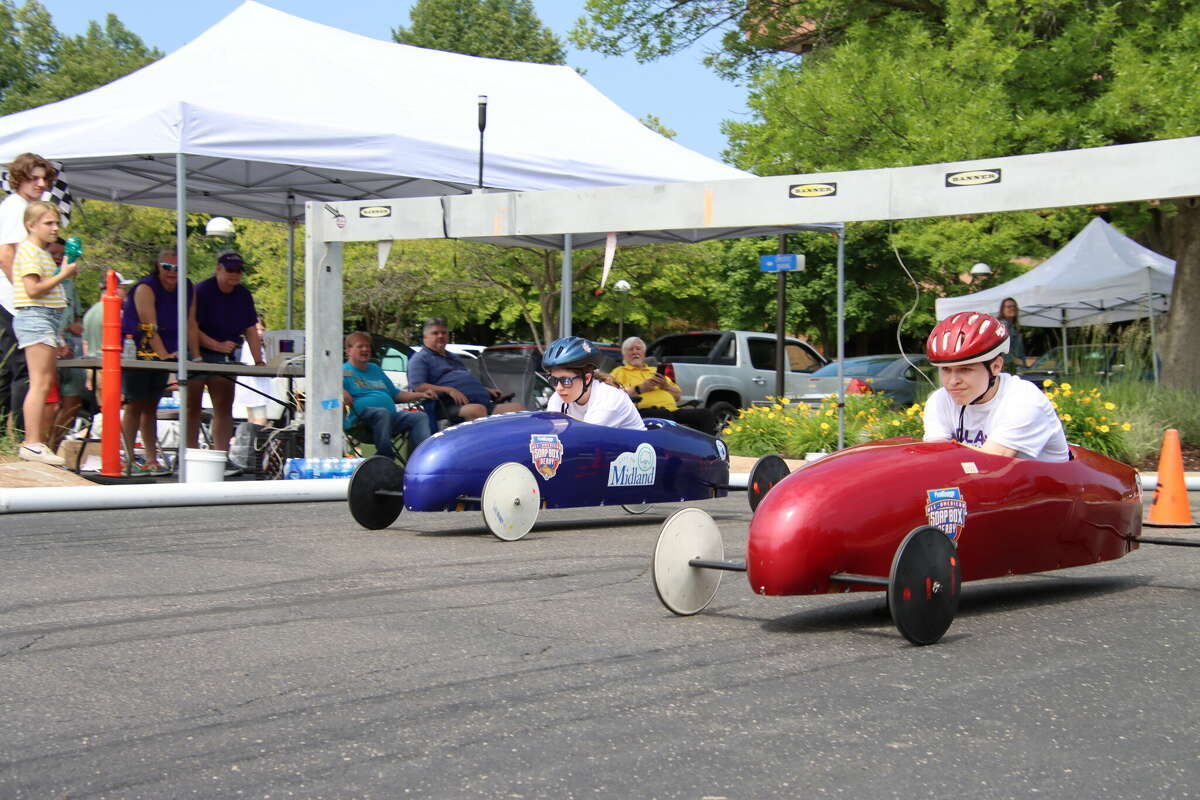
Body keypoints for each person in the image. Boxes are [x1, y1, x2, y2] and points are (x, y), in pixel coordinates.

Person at [922, 312, 1068, 462]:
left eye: (965, 369)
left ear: (996, 366)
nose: (952, 381)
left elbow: (987, 465)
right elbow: (937, 458)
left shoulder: (1024, 401)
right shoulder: (940, 399)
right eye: (946, 369)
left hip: (1055, 483)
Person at [120, 248, 198, 476]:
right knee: (134, 404)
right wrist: (163, 355)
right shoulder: (146, 287)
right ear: (158, 267)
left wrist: (195, 355)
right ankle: (128, 458)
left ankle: (151, 459)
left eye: (177, 268)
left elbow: (190, 323)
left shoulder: (187, 288)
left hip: (166, 353)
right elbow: (149, 327)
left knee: (151, 406)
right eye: (167, 267)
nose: (172, 272)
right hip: (139, 352)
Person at [10, 201, 76, 465]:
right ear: (31, 225)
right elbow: (33, 289)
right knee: (40, 383)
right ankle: (32, 442)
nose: (54, 228)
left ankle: (34, 442)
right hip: (35, 317)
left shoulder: (40, 252)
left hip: (45, 320)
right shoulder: (28, 251)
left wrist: (63, 270)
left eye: (56, 223)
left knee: (45, 382)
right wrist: (64, 275)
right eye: (48, 223)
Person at [0, 153, 56, 434]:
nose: (41, 183)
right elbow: (5, 252)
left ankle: (12, 436)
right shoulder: (16, 207)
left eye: (45, 178)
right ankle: (23, 435)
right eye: (34, 178)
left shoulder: (26, 207)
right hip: (13, 302)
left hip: (17, 300)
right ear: (19, 178)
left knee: (13, 369)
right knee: (22, 370)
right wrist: (24, 290)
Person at [186, 250, 264, 452]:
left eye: (238, 271)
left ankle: (221, 455)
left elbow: (250, 328)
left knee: (223, 406)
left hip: (227, 355)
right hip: (198, 353)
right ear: (218, 269)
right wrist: (208, 350)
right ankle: (190, 454)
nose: (234, 275)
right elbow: (192, 326)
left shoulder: (243, 294)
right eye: (230, 270)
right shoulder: (201, 290)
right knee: (192, 407)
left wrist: (258, 360)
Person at [407, 317, 523, 421]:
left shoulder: (453, 357)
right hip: (447, 406)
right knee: (476, 410)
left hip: (481, 403)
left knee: (517, 409)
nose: (440, 336)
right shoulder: (420, 359)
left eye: (444, 333)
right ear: (425, 337)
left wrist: (486, 390)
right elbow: (418, 387)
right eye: (435, 333)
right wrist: (449, 390)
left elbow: (463, 381)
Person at [342, 332, 434, 460]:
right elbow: (329, 390)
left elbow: (396, 394)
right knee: (382, 412)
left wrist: (421, 394)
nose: (365, 349)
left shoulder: (374, 368)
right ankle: (385, 455)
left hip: (389, 420)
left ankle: (421, 458)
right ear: (349, 350)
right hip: (361, 423)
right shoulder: (344, 371)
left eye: (367, 346)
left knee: (419, 417)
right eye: (360, 346)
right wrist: (340, 391)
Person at [609, 336, 717, 435]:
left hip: (672, 410)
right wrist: (640, 388)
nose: (635, 352)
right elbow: (614, 396)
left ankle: (708, 451)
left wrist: (665, 385)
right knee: (663, 415)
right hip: (642, 412)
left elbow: (678, 396)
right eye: (631, 349)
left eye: (638, 349)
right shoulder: (619, 372)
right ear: (624, 353)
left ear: (644, 352)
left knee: (705, 414)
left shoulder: (654, 370)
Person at [542, 336, 644, 430]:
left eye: (566, 381)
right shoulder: (558, 397)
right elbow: (552, 433)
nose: (559, 388)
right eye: (554, 380)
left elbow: (583, 437)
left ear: (587, 378)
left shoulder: (609, 398)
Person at [47, 236, 87, 452]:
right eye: (53, 253)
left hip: (70, 350)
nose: (58, 258)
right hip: (46, 347)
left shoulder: (69, 283)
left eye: (61, 254)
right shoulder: (38, 278)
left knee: (73, 403)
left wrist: (76, 326)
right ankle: (40, 446)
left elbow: (77, 317)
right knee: (49, 404)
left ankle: (54, 447)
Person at [997, 297, 1027, 369]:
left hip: (1014, 368)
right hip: (1006, 369)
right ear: (1003, 310)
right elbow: (1000, 348)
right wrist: (1014, 360)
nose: (1012, 308)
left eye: (1014, 306)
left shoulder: (1013, 326)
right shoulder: (1002, 326)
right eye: (1009, 307)